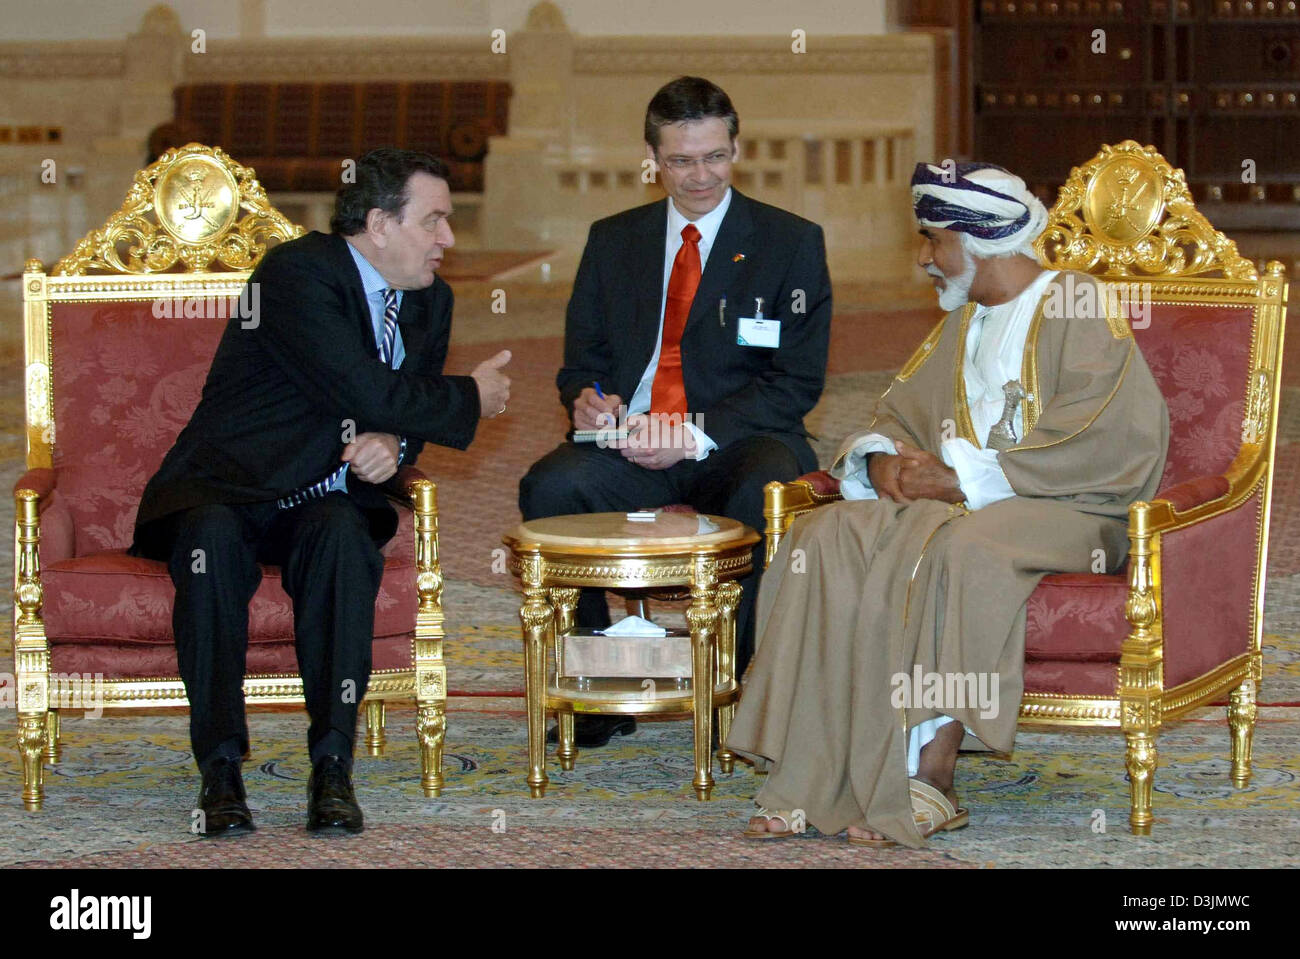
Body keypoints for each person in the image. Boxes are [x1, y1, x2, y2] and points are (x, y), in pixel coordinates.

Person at [729, 161, 1169, 848]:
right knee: (826, 535)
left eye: (934, 240)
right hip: (969, 505)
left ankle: (934, 773)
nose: (925, 258)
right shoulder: (963, 322)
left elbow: (1106, 435)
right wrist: (879, 461)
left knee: (964, 545)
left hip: (1078, 506)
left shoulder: (1077, 304)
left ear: (979, 240)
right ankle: (808, 769)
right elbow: (898, 410)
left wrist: (961, 479)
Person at [131, 149, 512, 836]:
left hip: (322, 496)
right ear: (379, 224)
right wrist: (471, 397)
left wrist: (395, 446)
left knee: (343, 537)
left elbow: (392, 414)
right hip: (232, 483)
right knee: (211, 545)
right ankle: (220, 767)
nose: (448, 240)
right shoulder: (297, 273)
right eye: (434, 221)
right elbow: (362, 387)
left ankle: (332, 763)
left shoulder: (433, 300)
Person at [518, 76, 832, 748]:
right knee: (550, 484)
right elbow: (582, 360)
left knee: (768, 486)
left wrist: (690, 433)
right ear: (653, 159)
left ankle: (745, 685)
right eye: (681, 160)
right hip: (631, 445)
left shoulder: (790, 242)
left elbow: (795, 381)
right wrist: (588, 397)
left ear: (737, 148)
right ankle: (605, 683)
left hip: (736, 443)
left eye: (714, 156)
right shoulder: (613, 240)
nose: (700, 176)